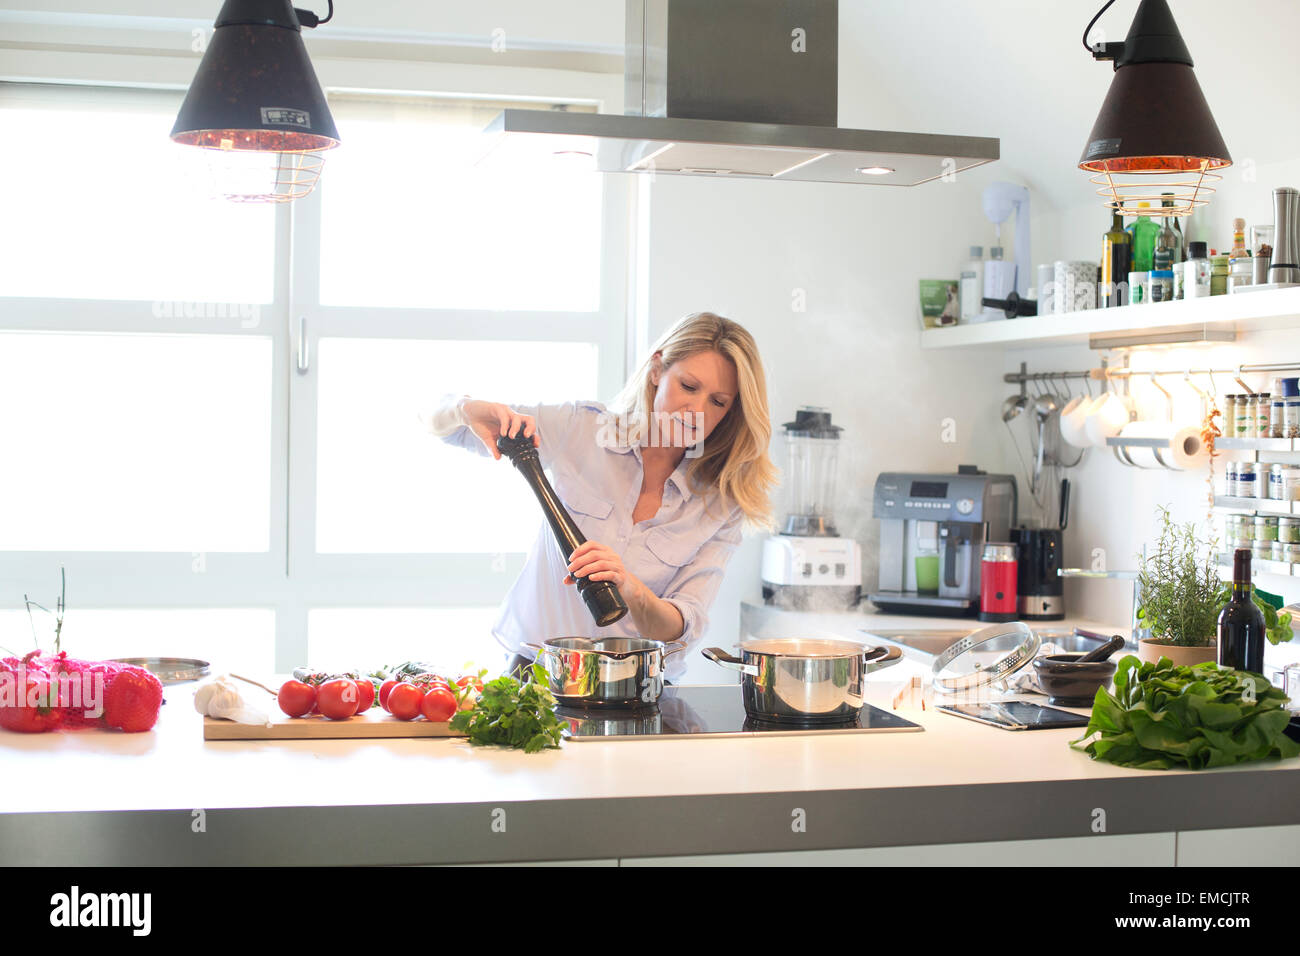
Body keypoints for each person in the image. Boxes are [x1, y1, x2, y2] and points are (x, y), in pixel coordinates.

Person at [423, 311, 776, 684]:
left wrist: (631, 588)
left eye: (718, 402)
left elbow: (684, 625)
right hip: (535, 678)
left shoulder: (723, 502)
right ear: (657, 370)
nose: (698, 411)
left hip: (636, 689)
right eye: (689, 386)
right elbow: (435, 423)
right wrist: (464, 408)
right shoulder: (582, 429)